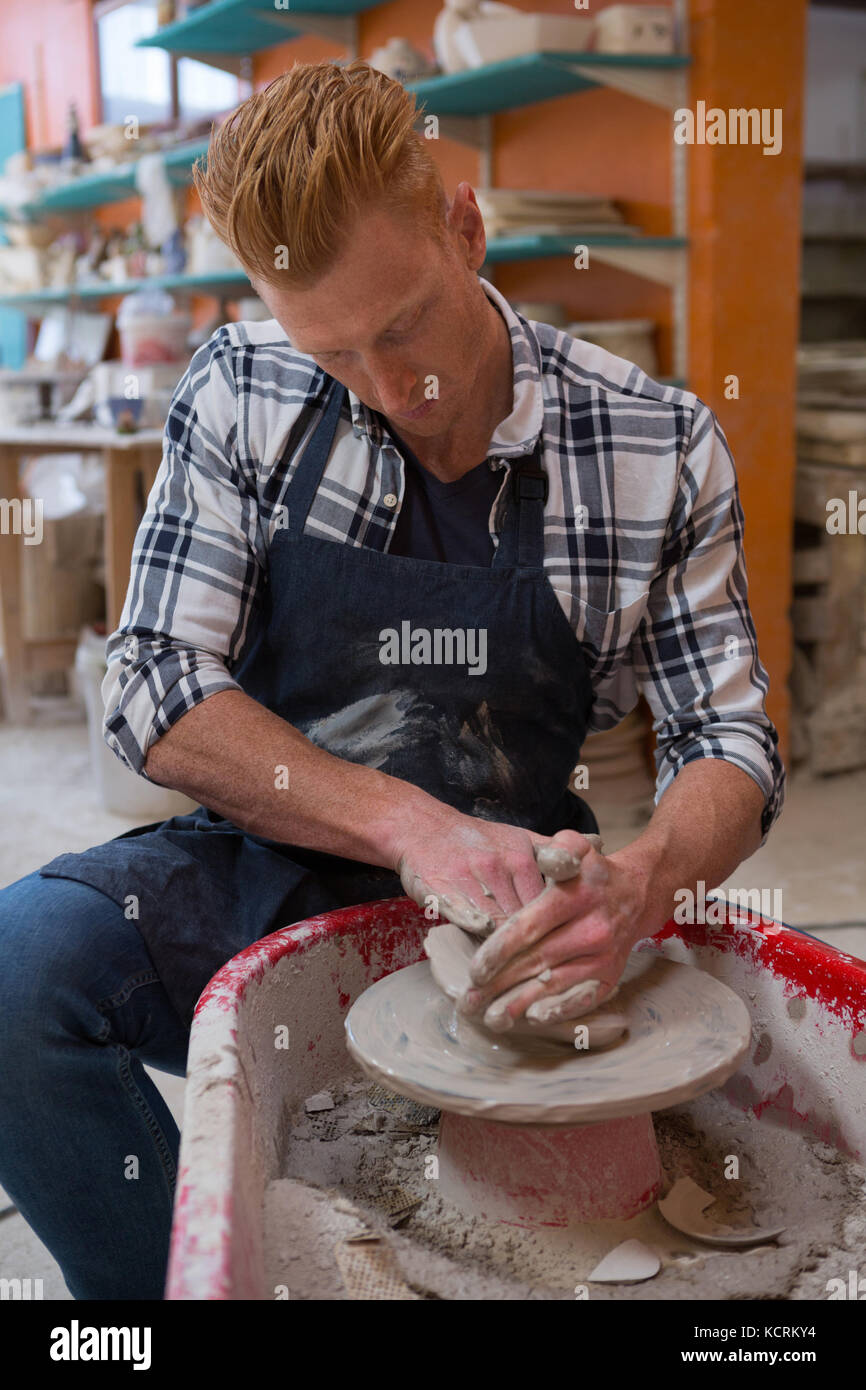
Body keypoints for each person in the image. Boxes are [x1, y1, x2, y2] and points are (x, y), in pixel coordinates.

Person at [0, 59, 785, 1300]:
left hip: (513, 914)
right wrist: (402, 820)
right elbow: (151, 684)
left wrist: (641, 883)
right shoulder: (241, 389)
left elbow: (730, 741)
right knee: (19, 967)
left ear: (462, 226)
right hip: (267, 863)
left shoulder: (653, 443)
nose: (387, 386)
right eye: (336, 352)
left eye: (405, 322)